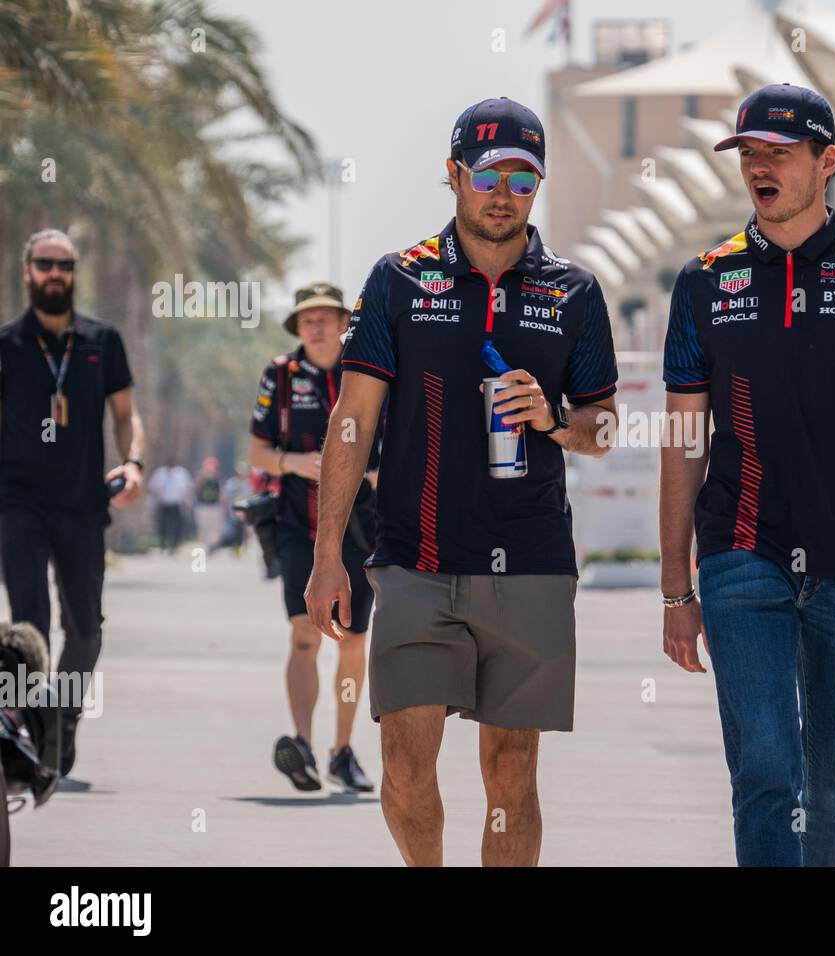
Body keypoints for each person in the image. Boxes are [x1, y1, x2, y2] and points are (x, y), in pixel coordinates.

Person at [307, 96, 619, 866]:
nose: (504, 192)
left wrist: (553, 420)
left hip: (533, 565)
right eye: (488, 174)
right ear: (454, 176)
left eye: (523, 176)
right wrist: (327, 556)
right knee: (406, 770)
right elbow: (352, 422)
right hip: (415, 561)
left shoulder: (573, 292)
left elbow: (605, 429)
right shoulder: (398, 282)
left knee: (510, 775)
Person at [659, 84, 835, 866]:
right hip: (740, 554)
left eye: (778, 153)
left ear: (827, 161)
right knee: (766, 770)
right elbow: (685, 437)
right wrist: (675, 585)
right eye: (749, 153)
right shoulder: (705, 281)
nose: (760, 167)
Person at [0, 228, 145, 776]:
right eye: (44, 264)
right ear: (27, 271)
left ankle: (60, 721)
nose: (55, 274)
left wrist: (133, 463)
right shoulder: (7, 345)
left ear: (74, 273)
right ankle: (25, 730)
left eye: (64, 265)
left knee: (86, 631)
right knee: (28, 626)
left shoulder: (101, 341)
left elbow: (127, 414)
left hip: (84, 506)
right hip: (19, 504)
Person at [248, 282, 382, 793]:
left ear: (344, 322)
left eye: (326, 318)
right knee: (304, 633)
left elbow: (394, 444)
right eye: (308, 320)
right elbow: (258, 452)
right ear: (298, 327)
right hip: (297, 526)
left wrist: (368, 474)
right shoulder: (280, 376)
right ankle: (301, 744)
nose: (317, 327)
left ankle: (341, 752)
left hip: (361, 528)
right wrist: (294, 462)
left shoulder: (368, 370)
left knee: (352, 640)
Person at [148, 457, 191, 553]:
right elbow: (152, 487)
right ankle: (163, 544)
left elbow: (187, 488)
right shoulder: (159, 473)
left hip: (176, 503)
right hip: (163, 502)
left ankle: (175, 544)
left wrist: (187, 502)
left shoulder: (181, 473)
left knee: (176, 525)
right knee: (162, 524)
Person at [193, 456, 224, 548]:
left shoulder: (217, 478)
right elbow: (196, 487)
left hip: (214, 505)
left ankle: (212, 545)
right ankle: (206, 544)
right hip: (202, 505)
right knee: (203, 526)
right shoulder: (200, 477)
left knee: (214, 527)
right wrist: (204, 477)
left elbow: (220, 492)